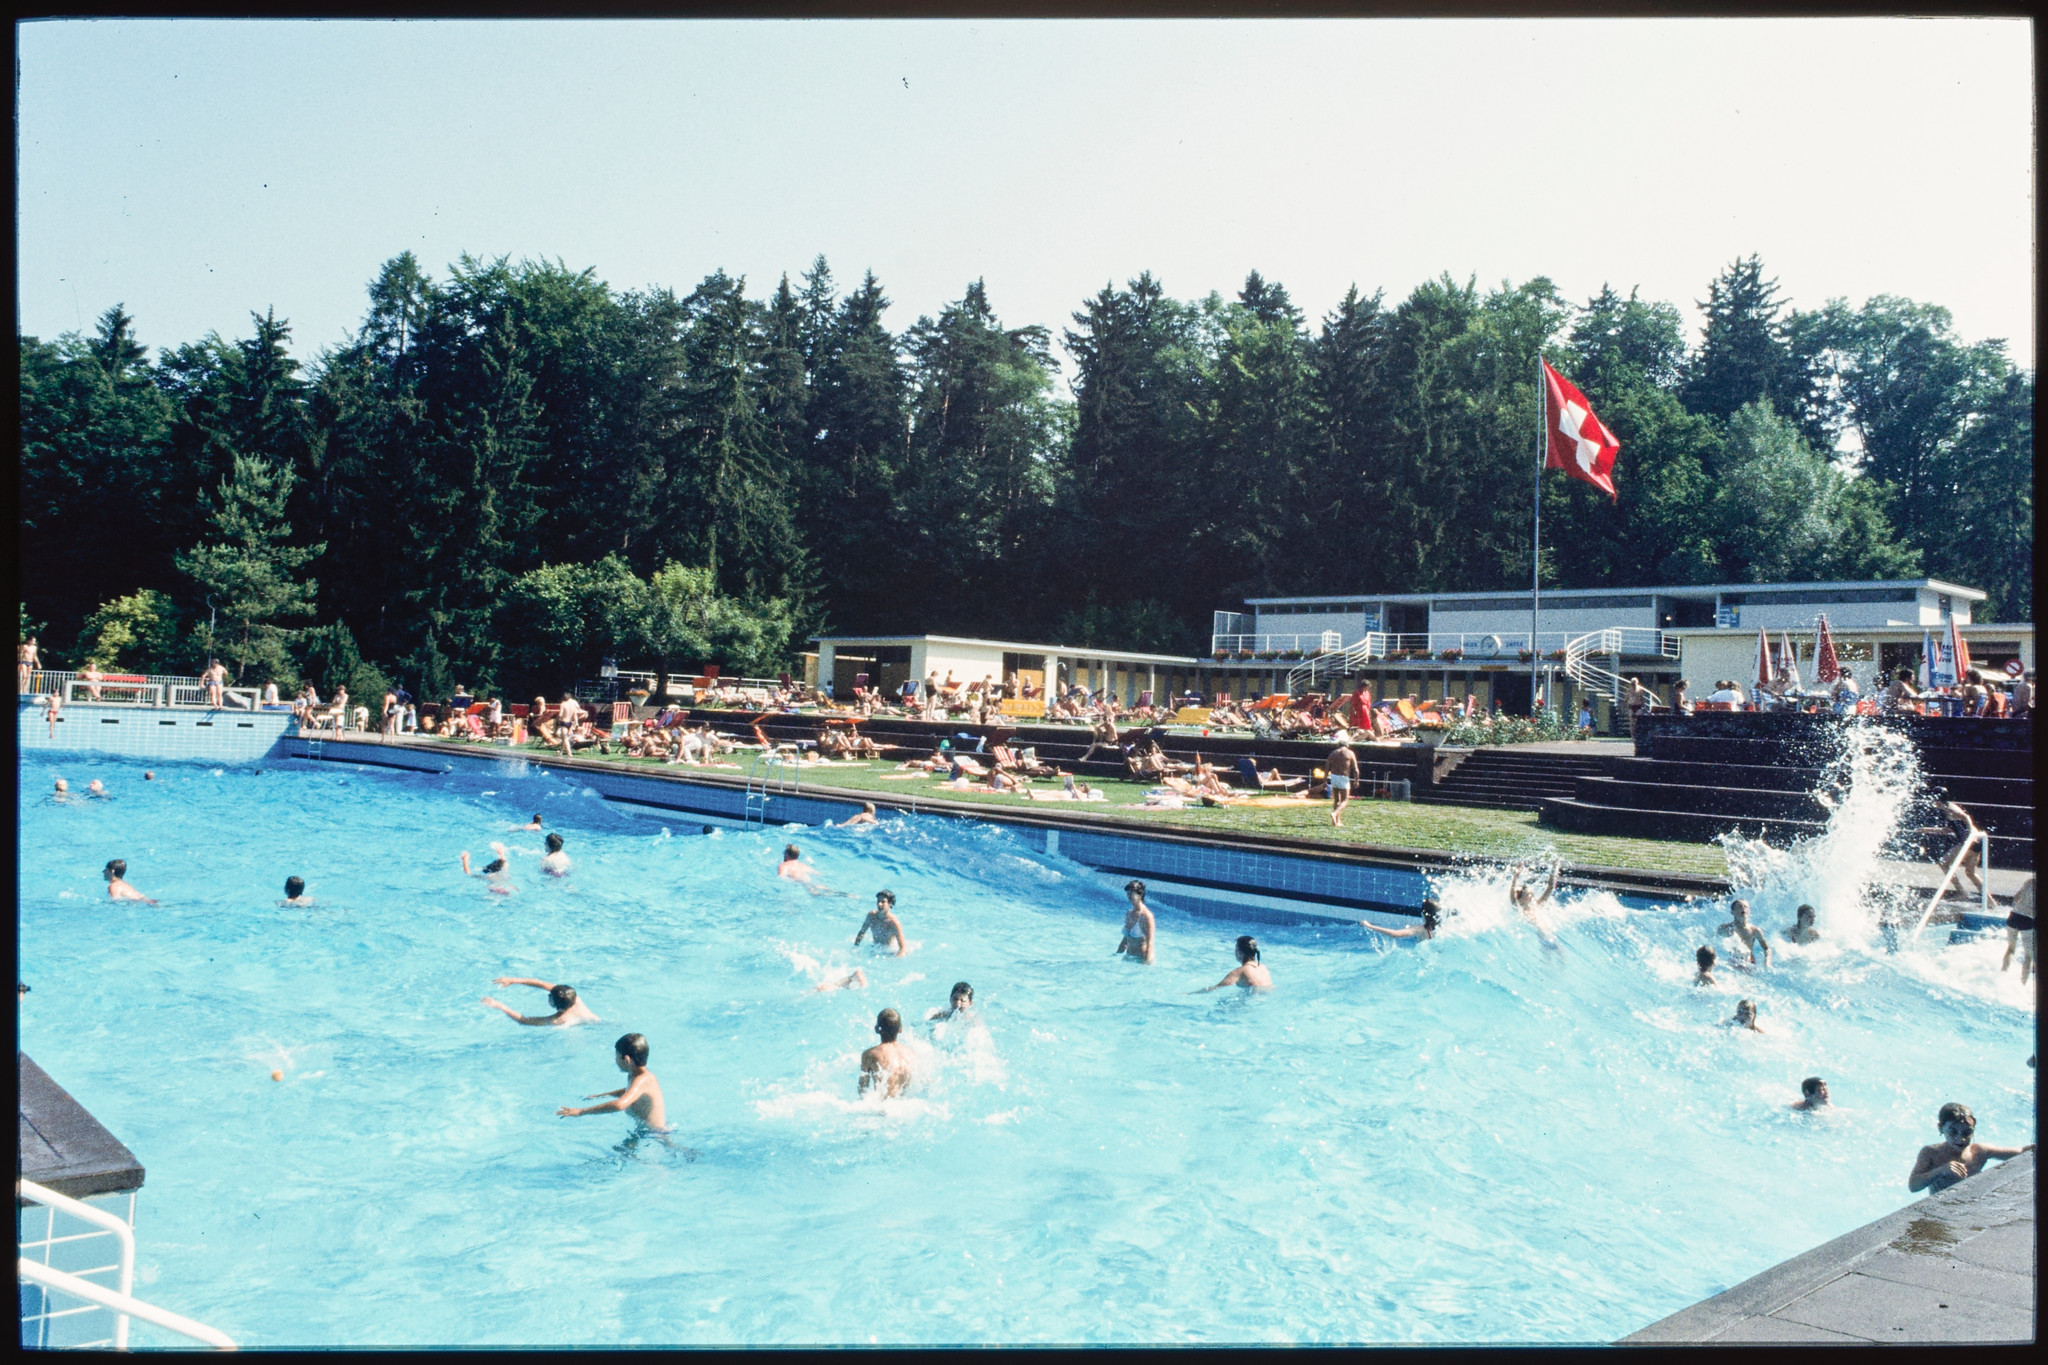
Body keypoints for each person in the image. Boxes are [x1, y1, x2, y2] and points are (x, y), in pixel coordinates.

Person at [1907, 1103, 2032, 1194]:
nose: (1961, 1139)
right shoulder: (1931, 1153)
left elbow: (2021, 1152)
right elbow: (1913, 1186)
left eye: (1967, 1132)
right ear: (1940, 1128)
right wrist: (1941, 1171)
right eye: (1952, 1132)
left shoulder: (1979, 1151)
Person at [557, 1033, 667, 1132]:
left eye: (617, 1056)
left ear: (627, 1059)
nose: (615, 1060)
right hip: (643, 1130)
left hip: (655, 1134)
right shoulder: (636, 1075)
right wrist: (603, 1095)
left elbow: (619, 1105)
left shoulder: (642, 1080)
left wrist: (580, 1112)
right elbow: (630, 1092)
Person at [483, 977, 598, 1027]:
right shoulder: (575, 999)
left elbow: (524, 1021)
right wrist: (513, 980)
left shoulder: (559, 1020)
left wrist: (499, 1005)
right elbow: (542, 984)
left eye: (550, 997)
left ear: (554, 1003)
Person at [1931, 800, 1986, 900]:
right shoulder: (1947, 810)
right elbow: (1948, 830)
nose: (1934, 803)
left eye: (1934, 801)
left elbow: (1966, 817)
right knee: (1970, 873)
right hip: (1976, 841)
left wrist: (1971, 834)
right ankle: (1989, 901)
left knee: (1944, 863)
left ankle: (1961, 892)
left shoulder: (1950, 808)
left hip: (1970, 842)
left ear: (1939, 801)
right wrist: (1926, 830)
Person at [859, 1009, 913, 1099]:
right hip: (906, 1107)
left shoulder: (870, 1054)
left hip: (884, 1109)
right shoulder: (911, 1054)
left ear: (877, 1029)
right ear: (900, 1029)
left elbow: (862, 1090)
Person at [1508, 860, 1561, 946]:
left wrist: (1554, 869)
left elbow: (1550, 887)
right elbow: (1513, 896)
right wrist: (1515, 877)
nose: (1533, 896)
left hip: (1548, 935)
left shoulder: (1537, 906)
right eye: (1530, 894)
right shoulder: (1521, 911)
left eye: (1532, 894)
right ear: (1523, 899)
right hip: (1542, 937)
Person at [1199, 935, 1273, 992]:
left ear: (1240, 953)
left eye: (1236, 949)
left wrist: (1190, 994)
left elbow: (1216, 988)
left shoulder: (1240, 972)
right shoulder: (1263, 967)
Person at [2001, 874, 2035, 984]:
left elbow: (2016, 898)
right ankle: (2023, 983)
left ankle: (2002, 974)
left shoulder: (2028, 881)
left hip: (2013, 916)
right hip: (2027, 919)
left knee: (2010, 949)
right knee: (2028, 956)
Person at [1717, 898, 1772, 966]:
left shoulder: (1754, 930)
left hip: (1748, 963)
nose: (1743, 909)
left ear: (1749, 911)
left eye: (1745, 907)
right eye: (1739, 907)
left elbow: (1766, 948)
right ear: (1732, 912)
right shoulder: (1724, 928)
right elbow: (1713, 941)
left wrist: (1767, 962)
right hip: (1732, 962)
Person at [854, 890, 908, 957]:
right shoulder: (871, 916)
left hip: (888, 952)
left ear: (890, 904)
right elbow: (862, 932)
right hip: (875, 948)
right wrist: (855, 947)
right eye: (878, 901)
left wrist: (894, 960)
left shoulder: (893, 923)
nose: (879, 904)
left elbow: (903, 948)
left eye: (883, 902)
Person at [1114, 879, 1156, 964]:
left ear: (1139, 895)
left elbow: (1150, 944)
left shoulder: (1146, 916)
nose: (1128, 896)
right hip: (1128, 958)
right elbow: (1125, 939)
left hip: (1141, 960)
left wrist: (1145, 965)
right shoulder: (1129, 913)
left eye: (1131, 893)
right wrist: (1116, 955)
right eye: (1127, 894)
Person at [1360, 899, 1442, 942]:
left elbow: (1394, 934)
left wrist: (1370, 926)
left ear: (1423, 914)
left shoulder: (1420, 929)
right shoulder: (1442, 929)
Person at [1326, 732, 1360, 827]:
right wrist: (1356, 780)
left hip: (1333, 776)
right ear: (1347, 745)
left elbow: (1327, 767)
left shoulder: (1333, 753)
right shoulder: (1349, 753)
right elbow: (1355, 769)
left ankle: (1337, 821)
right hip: (1343, 777)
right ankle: (1335, 813)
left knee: (1336, 799)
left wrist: (1325, 780)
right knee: (1344, 800)